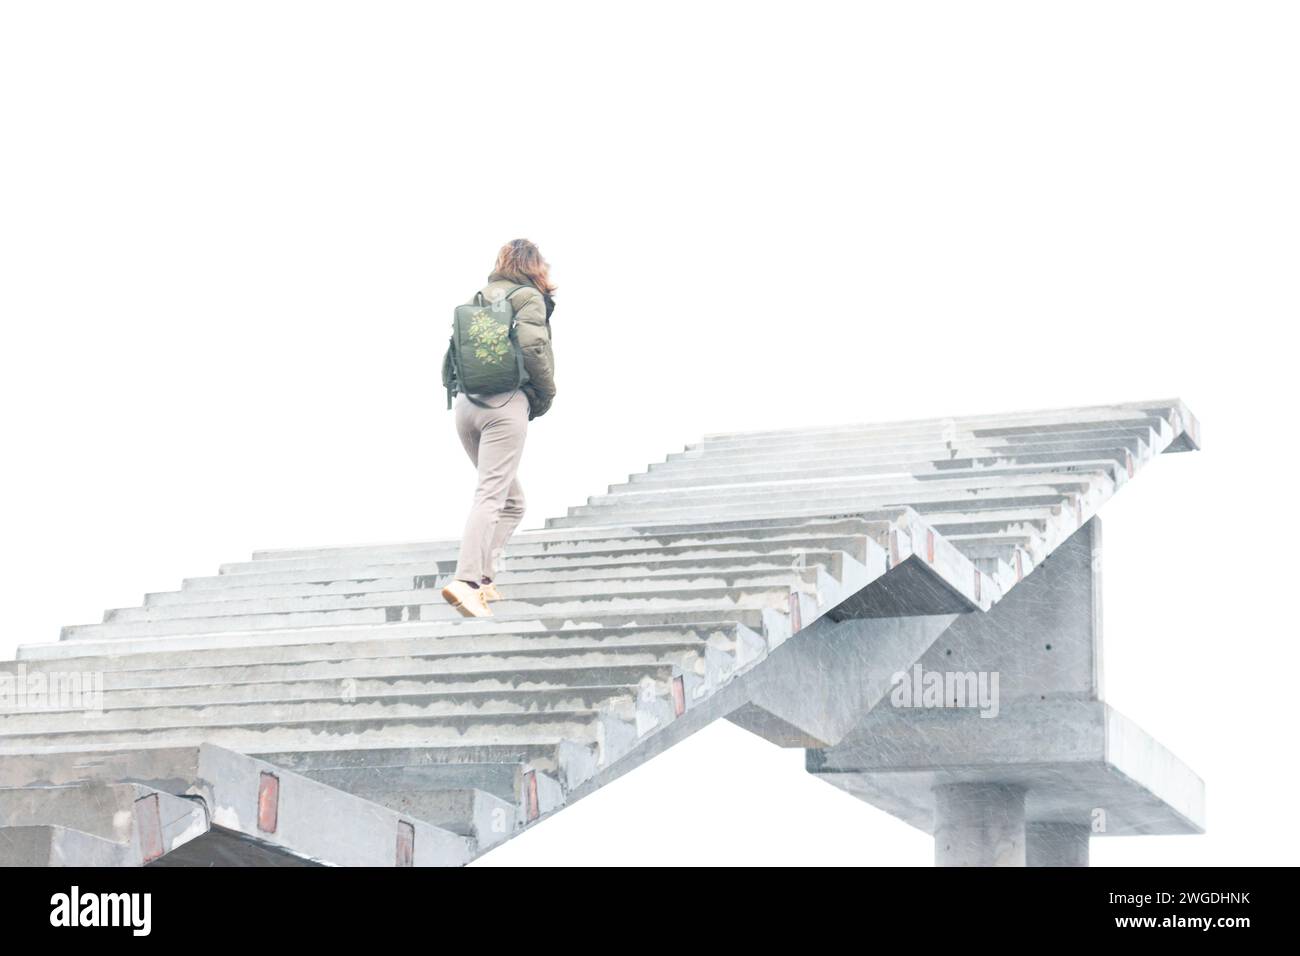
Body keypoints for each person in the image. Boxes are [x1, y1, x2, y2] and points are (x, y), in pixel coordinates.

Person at [441, 239, 557, 617]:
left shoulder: (480, 296)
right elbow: (533, 347)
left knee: (512, 502)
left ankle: (485, 580)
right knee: (492, 494)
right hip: (505, 404)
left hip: (466, 406)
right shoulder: (528, 298)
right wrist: (545, 393)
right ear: (535, 266)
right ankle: (466, 581)